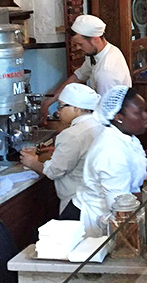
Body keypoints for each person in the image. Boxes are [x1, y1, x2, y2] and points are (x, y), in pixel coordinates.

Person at [74, 87, 147, 233]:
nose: (146, 116)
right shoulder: (110, 152)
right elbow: (120, 204)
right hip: (97, 220)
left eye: (145, 110)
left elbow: (132, 160)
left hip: (116, 210)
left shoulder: (126, 136)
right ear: (118, 117)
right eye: (138, 112)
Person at [20, 83, 104, 218]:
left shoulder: (72, 134)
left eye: (61, 106)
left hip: (78, 202)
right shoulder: (99, 124)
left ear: (77, 108)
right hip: (98, 200)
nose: (58, 111)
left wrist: (32, 162)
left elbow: (54, 171)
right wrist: (58, 151)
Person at [41, 14, 131, 119]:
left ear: (95, 39)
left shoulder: (106, 72)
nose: (78, 47)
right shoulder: (99, 52)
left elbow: (105, 114)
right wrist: (48, 102)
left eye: (80, 44)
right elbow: (78, 76)